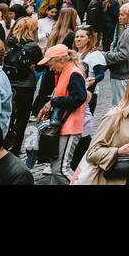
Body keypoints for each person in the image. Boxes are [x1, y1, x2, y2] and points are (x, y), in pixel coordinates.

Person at [31, 43, 88, 180]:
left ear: (61, 59)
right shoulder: (66, 72)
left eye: (50, 63)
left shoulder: (73, 73)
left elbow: (79, 98)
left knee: (61, 170)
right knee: (57, 169)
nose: (50, 68)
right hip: (64, 125)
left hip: (70, 126)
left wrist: (53, 102)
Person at [3, 15, 42, 151]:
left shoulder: (7, 43)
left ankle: (4, 144)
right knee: (22, 119)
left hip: (8, 83)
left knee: (7, 115)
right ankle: (16, 149)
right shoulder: (33, 47)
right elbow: (40, 67)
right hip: (26, 86)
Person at [104, 2, 129, 107]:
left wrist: (106, 55)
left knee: (120, 107)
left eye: (122, 15)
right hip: (128, 72)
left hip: (122, 75)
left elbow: (123, 55)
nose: (119, 17)